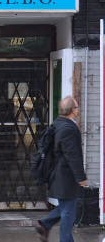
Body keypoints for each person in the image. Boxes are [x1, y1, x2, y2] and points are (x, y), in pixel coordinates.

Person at [34, 95, 87, 242]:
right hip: (65, 178)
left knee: (66, 209)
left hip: (59, 176)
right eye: (76, 107)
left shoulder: (59, 123)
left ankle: (45, 224)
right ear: (72, 110)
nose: (78, 109)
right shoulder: (68, 129)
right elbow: (72, 155)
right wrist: (81, 177)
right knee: (68, 215)